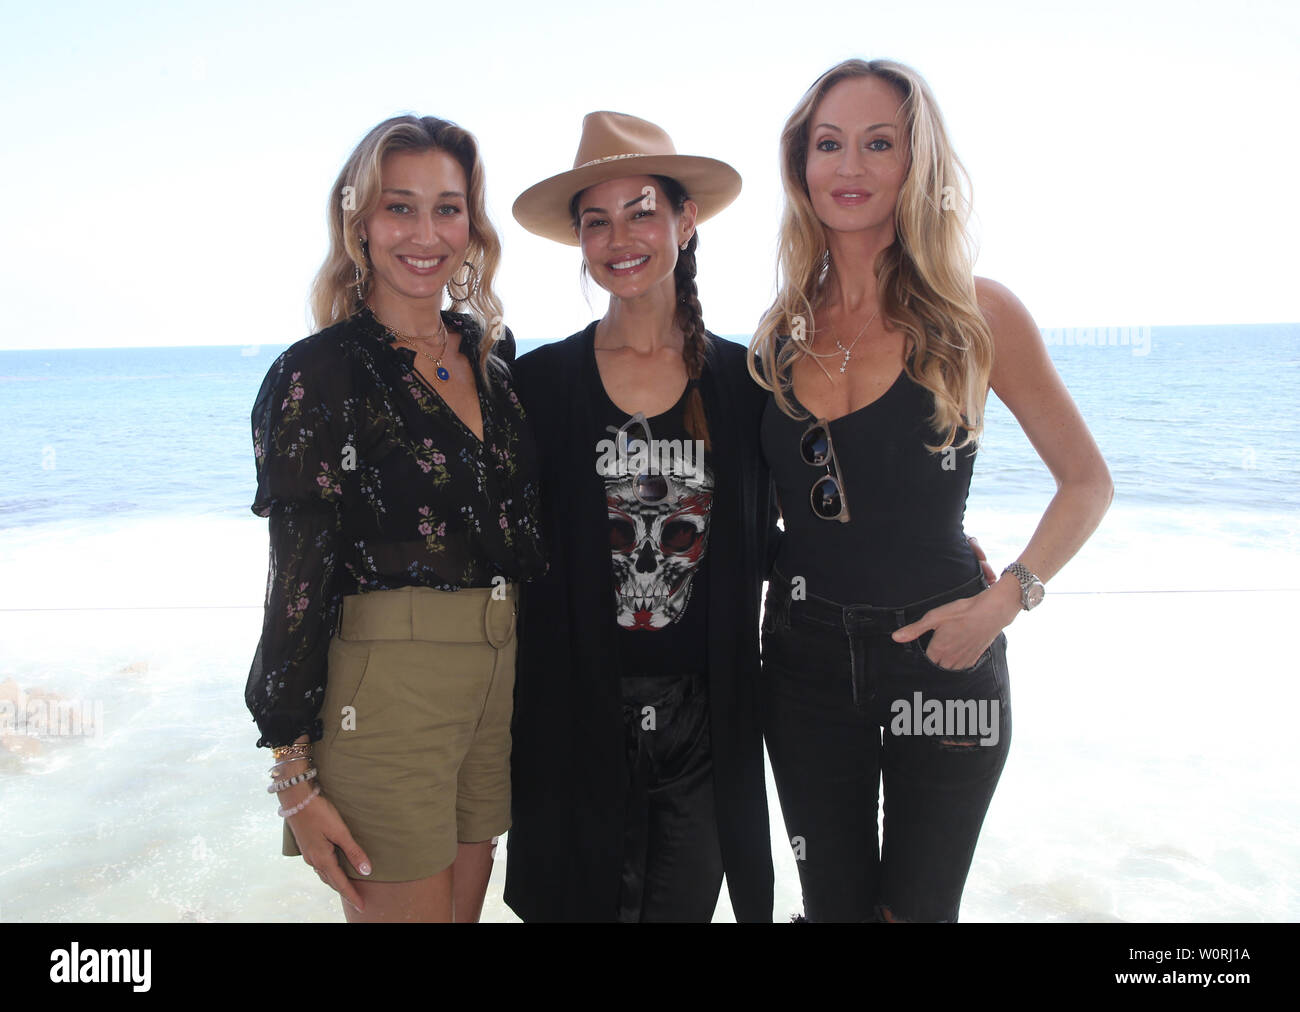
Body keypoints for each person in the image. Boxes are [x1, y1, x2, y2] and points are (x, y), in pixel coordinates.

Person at [750, 59, 1113, 922]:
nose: (850, 167)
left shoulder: (976, 314)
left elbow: (1086, 484)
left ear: (918, 165)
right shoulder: (779, 327)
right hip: (802, 664)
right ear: (802, 165)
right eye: (829, 144)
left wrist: (1004, 601)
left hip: (943, 659)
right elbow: (763, 514)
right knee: (831, 910)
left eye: (880, 144)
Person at [244, 114, 545, 923]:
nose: (425, 233)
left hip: (496, 676)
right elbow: (297, 577)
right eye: (398, 207)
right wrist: (294, 778)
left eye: (447, 208)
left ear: (472, 226)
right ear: (360, 223)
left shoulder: (494, 362)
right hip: (386, 693)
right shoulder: (320, 374)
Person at [504, 111, 775, 921]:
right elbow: (490, 534)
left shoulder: (745, 384)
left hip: (705, 720)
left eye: (641, 211)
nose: (619, 237)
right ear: (579, 240)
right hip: (570, 705)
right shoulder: (541, 384)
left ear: (685, 222)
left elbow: (798, 521)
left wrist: (941, 562)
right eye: (597, 221)